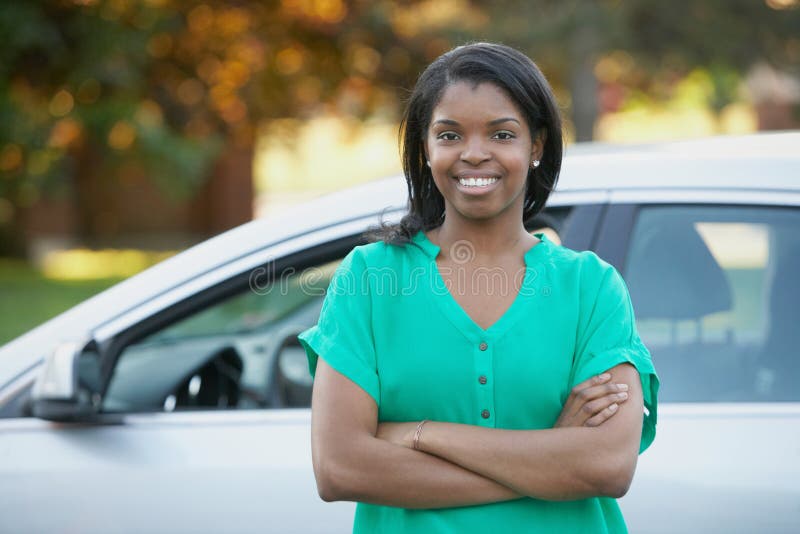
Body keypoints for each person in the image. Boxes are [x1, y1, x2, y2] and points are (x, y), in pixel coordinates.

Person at [298, 42, 658, 533]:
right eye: (449, 134)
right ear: (425, 148)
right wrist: (548, 462)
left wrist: (423, 434)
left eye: (501, 133)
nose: (473, 153)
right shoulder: (369, 279)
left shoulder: (590, 287)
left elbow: (606, 466)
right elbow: (340, 468)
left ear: (535, 145)